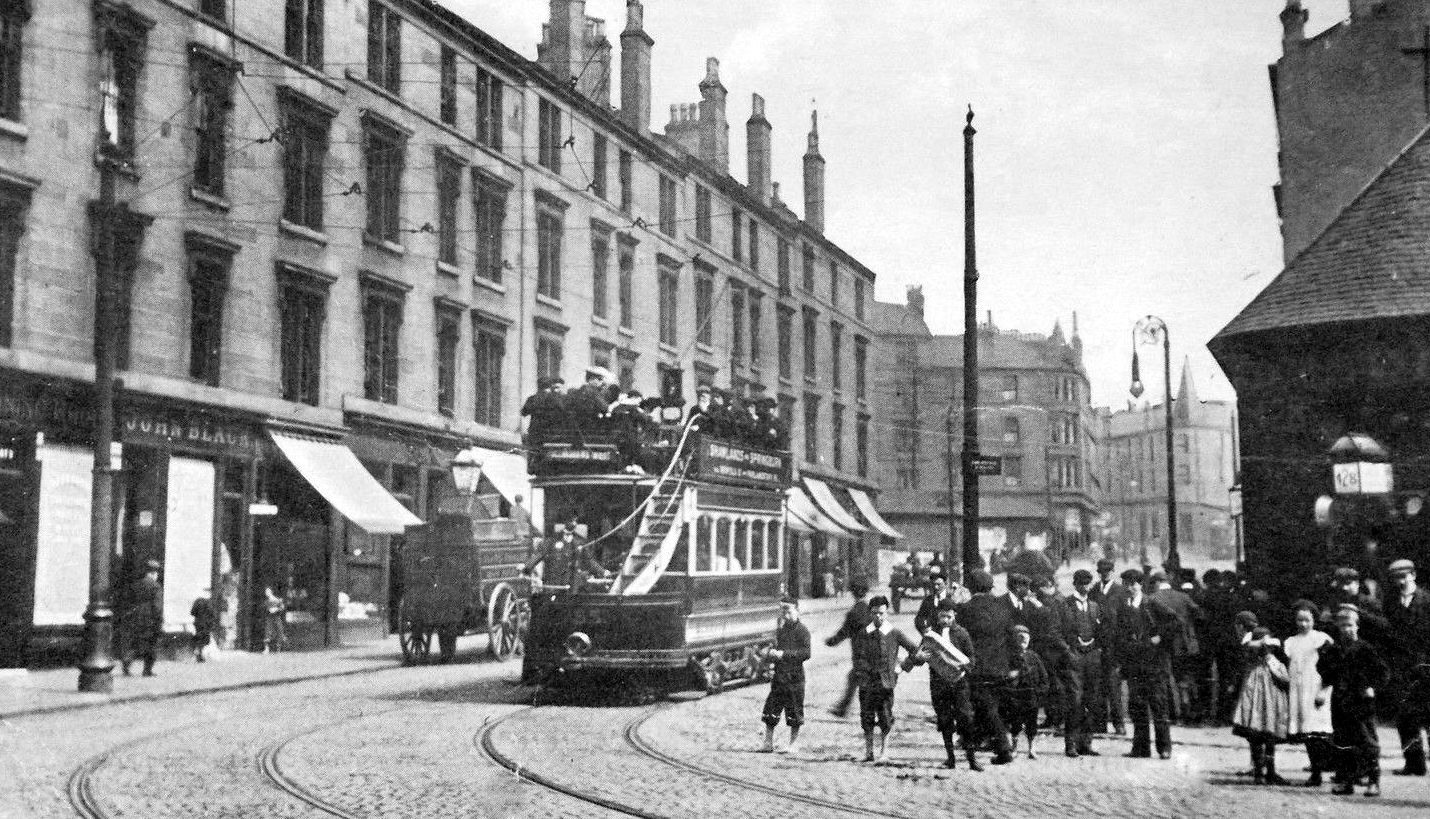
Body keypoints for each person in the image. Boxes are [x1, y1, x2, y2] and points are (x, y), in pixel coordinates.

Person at [1319, 604, 1389, 797]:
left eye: (1349, 625)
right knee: (1343, 741)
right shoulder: (1334, 650)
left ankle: (1373, 781)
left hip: (1361, 702)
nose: (1346, 629)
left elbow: (1382, 672)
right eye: (1342, 626)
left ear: (1357, 626)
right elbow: (1325, 672)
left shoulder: (1365, 649)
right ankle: (1346, 781)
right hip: (1340, 701)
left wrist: (1371, 687)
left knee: (1367, 741)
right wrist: (1323, 686)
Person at [907, 597, 981, 769]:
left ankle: (971, 759)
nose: (945, 620)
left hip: (959, 683)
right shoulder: (931, 636)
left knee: (965, 718)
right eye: (942, 616)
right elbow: (919, 657)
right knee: (945, 719)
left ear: (954, 615)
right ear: (937, 615)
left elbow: (972, 658)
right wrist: (918, 657)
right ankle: (950, 758)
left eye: (949, 616)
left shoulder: (962, 633)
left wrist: (964, 666)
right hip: (939, 683)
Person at [1112, 568, 1174, 759]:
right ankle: (1140, 748)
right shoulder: (1124, 607)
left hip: (1154, 665)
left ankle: (1164, 748)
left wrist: (1159, 638)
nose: (1129, 588)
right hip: (1134, 665)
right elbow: (1119, 635)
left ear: (1140, 585)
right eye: (1126, 584)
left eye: (1133, 584)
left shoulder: (1151, 603)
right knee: (1137, 707)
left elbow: (1175, 622)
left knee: (1158, 706)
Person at [957, 568, 1016, 766]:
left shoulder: (965, 610)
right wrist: (1015, 664)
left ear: (971, 588)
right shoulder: (1003, 607)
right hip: (1001, 667)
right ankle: (989, 744)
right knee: (992, 707)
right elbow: (1012, 638)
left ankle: (1003, 749)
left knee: (987, 708)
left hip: (978, 668)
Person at [852, 595, 920, 763]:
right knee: (866, 717)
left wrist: (902, 667)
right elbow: (857, 657)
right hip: (867, 683)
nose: (878, 617)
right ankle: (869, 752)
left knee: (885, 717)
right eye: (874, 613)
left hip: (885, 683)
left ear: (887, 612)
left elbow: (916, 651)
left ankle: (884, 752)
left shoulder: (894, 633)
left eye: (881, 613)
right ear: (870, 613)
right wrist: (861, 672)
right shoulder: (863, 634)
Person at [1383, 558, 1430, 777]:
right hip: (1401, 665)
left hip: (1425, 664)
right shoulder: (1391, 602)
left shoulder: (1426, 600)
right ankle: (1414, 763)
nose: (1401, 582)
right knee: (1405, 716)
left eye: (1404, 577)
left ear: (1413, 575)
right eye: (1397, 578)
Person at [1283, 600, 1334, 787]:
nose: (1303, 624)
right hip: (1299, 689)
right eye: (1300, 620)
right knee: (1307, 732)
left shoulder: (1321, 639)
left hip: (1316, 688)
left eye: (1307, 620)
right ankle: (1315, 770)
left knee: (1319, 731)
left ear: (1314, 620)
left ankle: (1322, 769)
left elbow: (1330, 667)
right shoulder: (1291, 642)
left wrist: (1323, 691)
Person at [1231, 626, 1290, 785]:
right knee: (1255, 735)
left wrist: (1271, 660)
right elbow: (1245, 646)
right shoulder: (1251, 664)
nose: (1265, 649)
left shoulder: (1274, 662)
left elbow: (1285, 680)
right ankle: (1258, 771)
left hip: (1271, 702)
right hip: (1255, 702)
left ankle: (1270, 771)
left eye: (1268, 647)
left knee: (1270, 737)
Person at [761, 597, 811, 754]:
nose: (785, 615)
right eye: (783, 611)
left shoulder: (802, 631)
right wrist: (770, 654)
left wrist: (783, 654)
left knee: (794, 711)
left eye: (789, 611)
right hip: (779, 677)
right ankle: (768, 742)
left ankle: (793, 743)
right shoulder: (780, 631)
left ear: (797, 611)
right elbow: (773, 648)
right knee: (771, 709)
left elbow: (806, 653)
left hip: (795, 678)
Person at [1063, 569, 1104, 756]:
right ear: (1075, 584)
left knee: (1091, 699)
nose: (1085, 587)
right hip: (1074, 657)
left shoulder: (1094, 606)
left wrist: (1097, 647)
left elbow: (1101, 630)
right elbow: (1060, 630)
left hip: (1092, 658)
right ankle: (1071, 743)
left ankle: (1086, 743)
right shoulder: (1066, 604)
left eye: (1088, 583)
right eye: (1081, 583)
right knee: (1075, 700)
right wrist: (1069, 649)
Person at [1088, 558, 1128, 735]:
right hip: (1097, 645)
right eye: (1101, 572)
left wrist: (1121, 649)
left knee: (1113, 686)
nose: (1104, 574)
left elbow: (1124, 622)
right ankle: (1100, 722)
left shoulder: (1121, 591)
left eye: (1107, 571)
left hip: (1114, 646)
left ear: (1112, 572)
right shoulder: (1094, 590)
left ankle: (1119, 723)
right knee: (1098, 685)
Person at [1003, 624, 1050, 759]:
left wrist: (1039, 693)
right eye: (1020, 638)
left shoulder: (1034, 657)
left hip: (1031, 695)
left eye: (1026, 638)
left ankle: (1031, 748)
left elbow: (1044, 677)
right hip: (1015, 695)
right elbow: (1004, 676)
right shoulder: (1009, 657)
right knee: (1015, 722)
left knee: (1031, 723)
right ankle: (1014, 747)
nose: (1023, 641)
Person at [827, 581, 872, 718]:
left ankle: (846, 710)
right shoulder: (872, 610)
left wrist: (831, 642)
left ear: (853, 593)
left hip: (860, 651)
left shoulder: (853, 613)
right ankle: (843, 709)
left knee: (857, 678)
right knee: (855, 678)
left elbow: (844, 632)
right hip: (873, 649)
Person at [120, 560, 164, 677]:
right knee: (151, 644)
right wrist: (159, 620)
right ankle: (147, 670)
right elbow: (157, 606)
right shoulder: (156, 586)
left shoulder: (137, 585)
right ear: (154, 573)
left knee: (135, 643)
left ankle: (126, 663)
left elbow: (129, 601)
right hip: (150, 619)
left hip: (136, 617)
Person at [520, 376, 567, 448]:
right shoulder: (556, 399)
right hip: (552, 434)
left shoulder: (532, 399)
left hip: (535, 433)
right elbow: (563, 413)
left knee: (534, 452)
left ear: (538, 386)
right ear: (550, 386)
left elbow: (523, 413)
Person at [190, 591, 218, 663]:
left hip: (198, 623)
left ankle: (198, 653)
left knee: (199, 637)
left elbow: (192, 612)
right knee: (204, 639)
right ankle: (200, 653)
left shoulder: (197, 601)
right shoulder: (209, 603)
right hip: (206, 624)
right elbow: (213, 614)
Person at [263, 585, 286, 653]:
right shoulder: (266, 601)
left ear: (271, 592)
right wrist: (269, 610)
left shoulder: (277, 600)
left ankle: (278, 648)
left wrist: (276, 609)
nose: (266, 593)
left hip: (276, 618)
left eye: (268, 591)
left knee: (279, 631)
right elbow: (265, 609)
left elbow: (282, 608)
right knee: (268, 632)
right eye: (266, 592)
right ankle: (267, 649)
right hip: (269, 618)